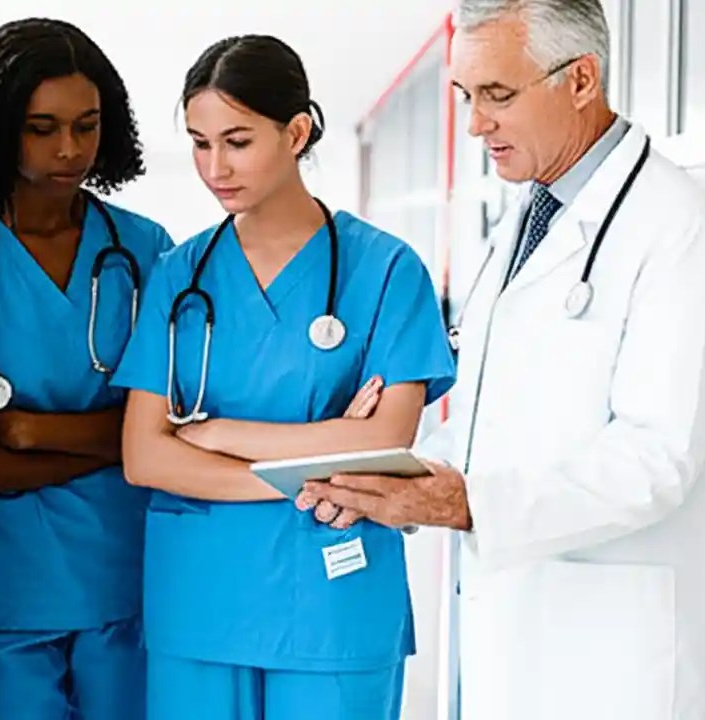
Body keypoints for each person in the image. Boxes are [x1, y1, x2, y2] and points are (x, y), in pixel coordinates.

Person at [308, 1, 705, 718]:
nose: (475, 123)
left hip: (615, 651)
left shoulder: (678, 230)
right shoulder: (529, 214)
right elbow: (496, 416)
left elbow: (658, 458)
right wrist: (398, 470)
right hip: (520, 621)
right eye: (464, 96)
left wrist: (467, 501)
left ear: (581, 79)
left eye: (498, 95)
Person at [109, 34, 456, 720]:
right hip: (202, 601)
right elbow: (144, 455)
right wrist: (307, 464)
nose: (215, 167)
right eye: (199, 143)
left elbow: (386, 439)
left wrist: (213, 435)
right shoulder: (181, 276)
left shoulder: (386, 270)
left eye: (237, 141)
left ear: (296, 132)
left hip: (334, 597)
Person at [0, 18, 171, 720]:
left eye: (87, 124)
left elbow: (172, 430)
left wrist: (24, 431)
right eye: (41, 127)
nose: (70, 149)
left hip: (128, 586)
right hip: (4, 599)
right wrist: (117, 446)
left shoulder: (144, 252)